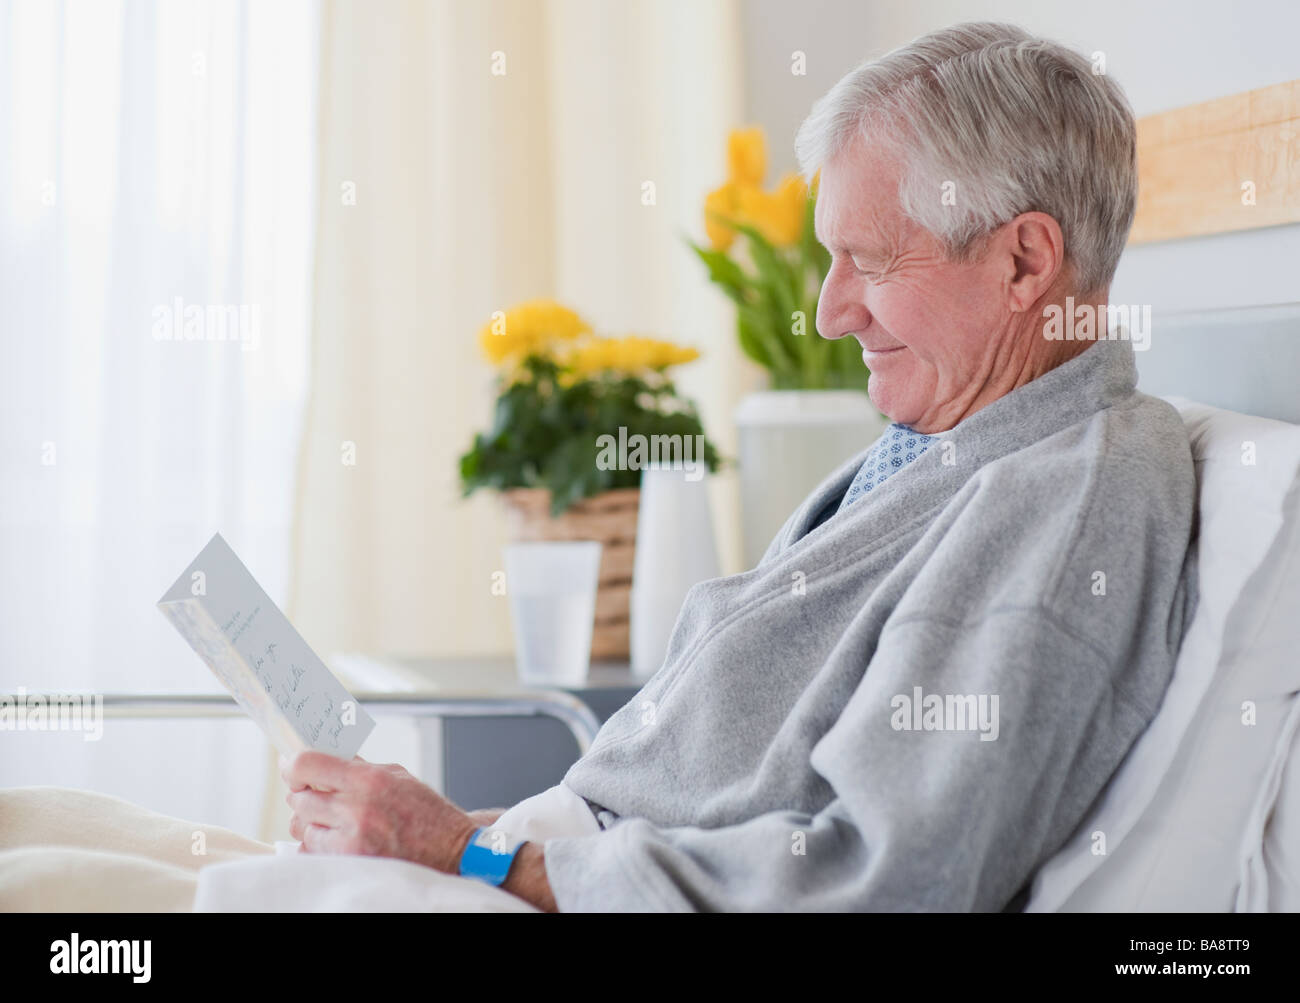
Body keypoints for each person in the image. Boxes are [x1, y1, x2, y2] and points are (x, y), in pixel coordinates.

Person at [1, 21, 1198, 913]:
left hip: (536, 891)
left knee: (42, 889)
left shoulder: (1066, 499)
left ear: (1026, 261)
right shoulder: (947, 445)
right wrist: (479, 834)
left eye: (868, 262)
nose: (830, 311)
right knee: (27, 823)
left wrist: (481, 861)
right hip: (540, 862)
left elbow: (889, 877)